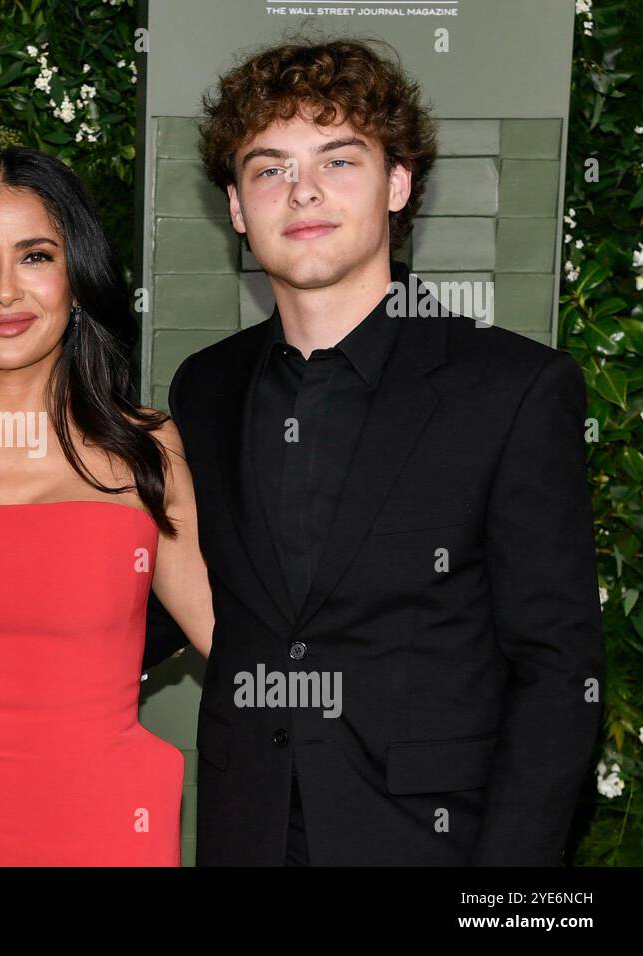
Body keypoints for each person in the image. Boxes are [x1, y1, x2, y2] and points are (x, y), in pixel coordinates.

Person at [143, 39, 604, 865]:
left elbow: (557, 673)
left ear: (398, 184)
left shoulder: (513, 389)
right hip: (246, 832)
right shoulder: (205, 390)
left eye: (339, 159)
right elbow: (179, 590)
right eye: (270, 167)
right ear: (238, 207)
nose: (304, 190)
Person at [0, 147, 214, 866]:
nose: (6, 293)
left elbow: (236, 639)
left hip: (108, 821)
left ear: (76, 279)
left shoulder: (146, 451)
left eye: (35, 256)